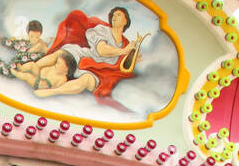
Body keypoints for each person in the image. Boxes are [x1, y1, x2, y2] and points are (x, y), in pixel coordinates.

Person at [12, 7, 146, 100]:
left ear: (125, 20)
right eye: (114, 15)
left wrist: (134, 56)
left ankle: (52, 91)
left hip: (100, 71)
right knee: (62, 53)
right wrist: (123, 51)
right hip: (86, 56)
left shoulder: (125, 42)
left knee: (86, 80)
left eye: (119, 15)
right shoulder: (102, 30)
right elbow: (101, 49)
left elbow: (126, 63)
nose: (115, 17)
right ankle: (32, 67)